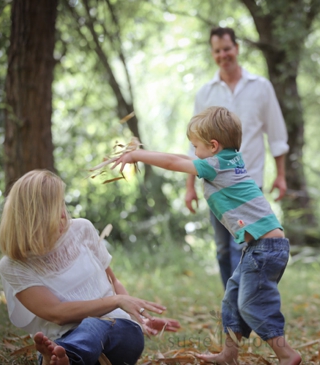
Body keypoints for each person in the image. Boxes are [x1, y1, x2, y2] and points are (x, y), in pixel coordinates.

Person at [112, 106, 301, 365]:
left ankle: (286, 354)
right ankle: (228, 355)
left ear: (213, 146)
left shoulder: (216, 166)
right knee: (232, 300)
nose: (193, 152)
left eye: (196, 146)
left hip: (264, 248)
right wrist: (146, 153)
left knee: (251, 304)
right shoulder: (229, 159)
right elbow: (178, 156)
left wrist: (138, 155)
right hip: (262, 247)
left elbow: (174, 163)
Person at [0, 170, 181, 365]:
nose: (62, 213)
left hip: (119, 329)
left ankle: (65, 358)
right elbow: (56, 313)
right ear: (34, 215)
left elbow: (113, 280)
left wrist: (141, 318)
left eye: (62, 203)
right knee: (85, 332)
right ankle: (62, 356)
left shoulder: (82, 229)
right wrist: (117, 300)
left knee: (93, 324)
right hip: (64, 337)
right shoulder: (12, 265)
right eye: (54, 207)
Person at [189, 27, 290, 288]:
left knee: (246, 245)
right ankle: (231, 300)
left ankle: (246, 302)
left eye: (227, 49)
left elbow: (276, 134)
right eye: (218, 51)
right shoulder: (205, 93)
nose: (223, 55)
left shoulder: (261, 87)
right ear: (213, 54)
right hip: (216, 186)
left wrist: (280, 176)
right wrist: (189, 188)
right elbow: (194, 145)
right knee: (223, 248)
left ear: (237, 49)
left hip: (248, 181)